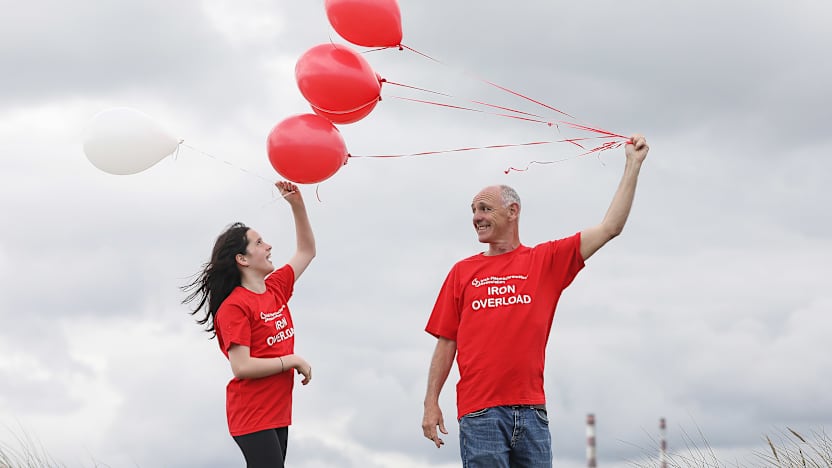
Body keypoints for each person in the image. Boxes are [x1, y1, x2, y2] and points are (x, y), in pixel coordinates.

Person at [421, 135, 649, 467]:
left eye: (485, 208)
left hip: (531, 413)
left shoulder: (545, 261)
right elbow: (446, 342)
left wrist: (632, 165)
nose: (476, 217)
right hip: (479, 412)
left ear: (512, 211)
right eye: (473, 210)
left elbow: (610, 227)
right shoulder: (462, 272)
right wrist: (431, 403)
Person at [182, 180, 315, 468]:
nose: (268, 247)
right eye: (259, 243)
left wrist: (298, 206)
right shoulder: (234, 306)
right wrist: (291, 360)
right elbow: (242, 366)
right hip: (252, 412)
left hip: (278, 410)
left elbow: (306, 251)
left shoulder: (276, 288)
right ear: (241, 259)